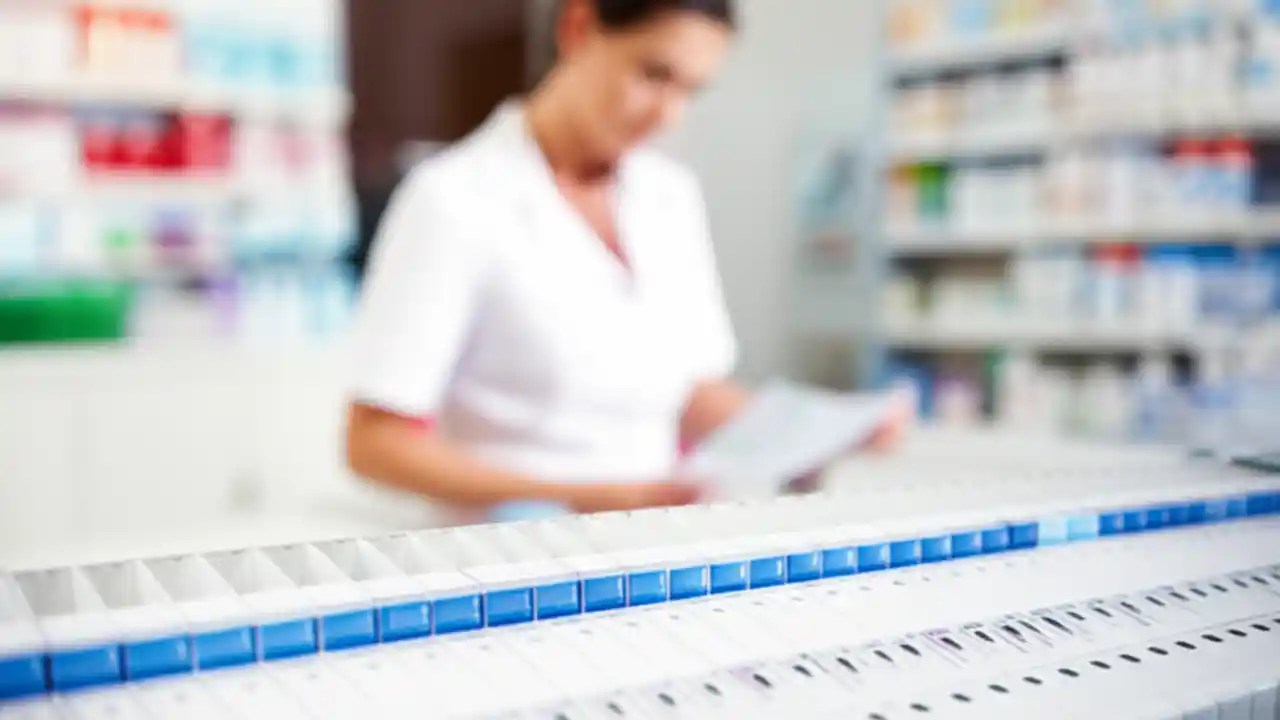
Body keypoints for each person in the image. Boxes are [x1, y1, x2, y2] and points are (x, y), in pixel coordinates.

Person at [346, 0, 901, 522]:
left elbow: (688, 391)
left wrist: (817, 430)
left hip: (648, 553)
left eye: (691, 90)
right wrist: (582, 499)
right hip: (508, 569)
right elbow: (374, 442)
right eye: (654, 75)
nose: (669, 113)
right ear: (579, 28)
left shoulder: (670, 196)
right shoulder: (455, 199)